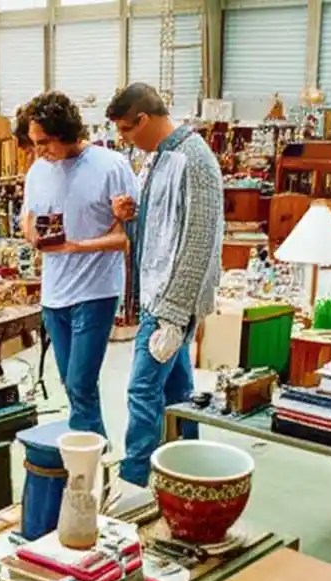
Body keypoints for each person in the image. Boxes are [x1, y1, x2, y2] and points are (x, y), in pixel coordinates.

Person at [106, 82, 222, 487]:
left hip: (171, 300)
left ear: (143, 118)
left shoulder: (194, 159)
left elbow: (199, 237)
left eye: (125, 129)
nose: (124, 139)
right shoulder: (160, 158)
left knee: (142, 390)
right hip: (160, 292)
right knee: (178, 393)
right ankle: (188, 468)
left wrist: (173, 313)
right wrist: (131, 216)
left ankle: (133, 481)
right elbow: (161, 229)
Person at [20, 91, 137, 439]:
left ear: (66, 132)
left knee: (80, 383)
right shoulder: (38, 171)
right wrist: (33, 237)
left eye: (45, 141)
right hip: (54, 294)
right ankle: (92, 458)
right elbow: (27, 218)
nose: (39, 150)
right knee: (72, 386)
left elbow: (128, 238)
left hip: (96, 291)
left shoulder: (110, 166)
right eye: (34, 142)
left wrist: (76, 246)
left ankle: (84, 465)